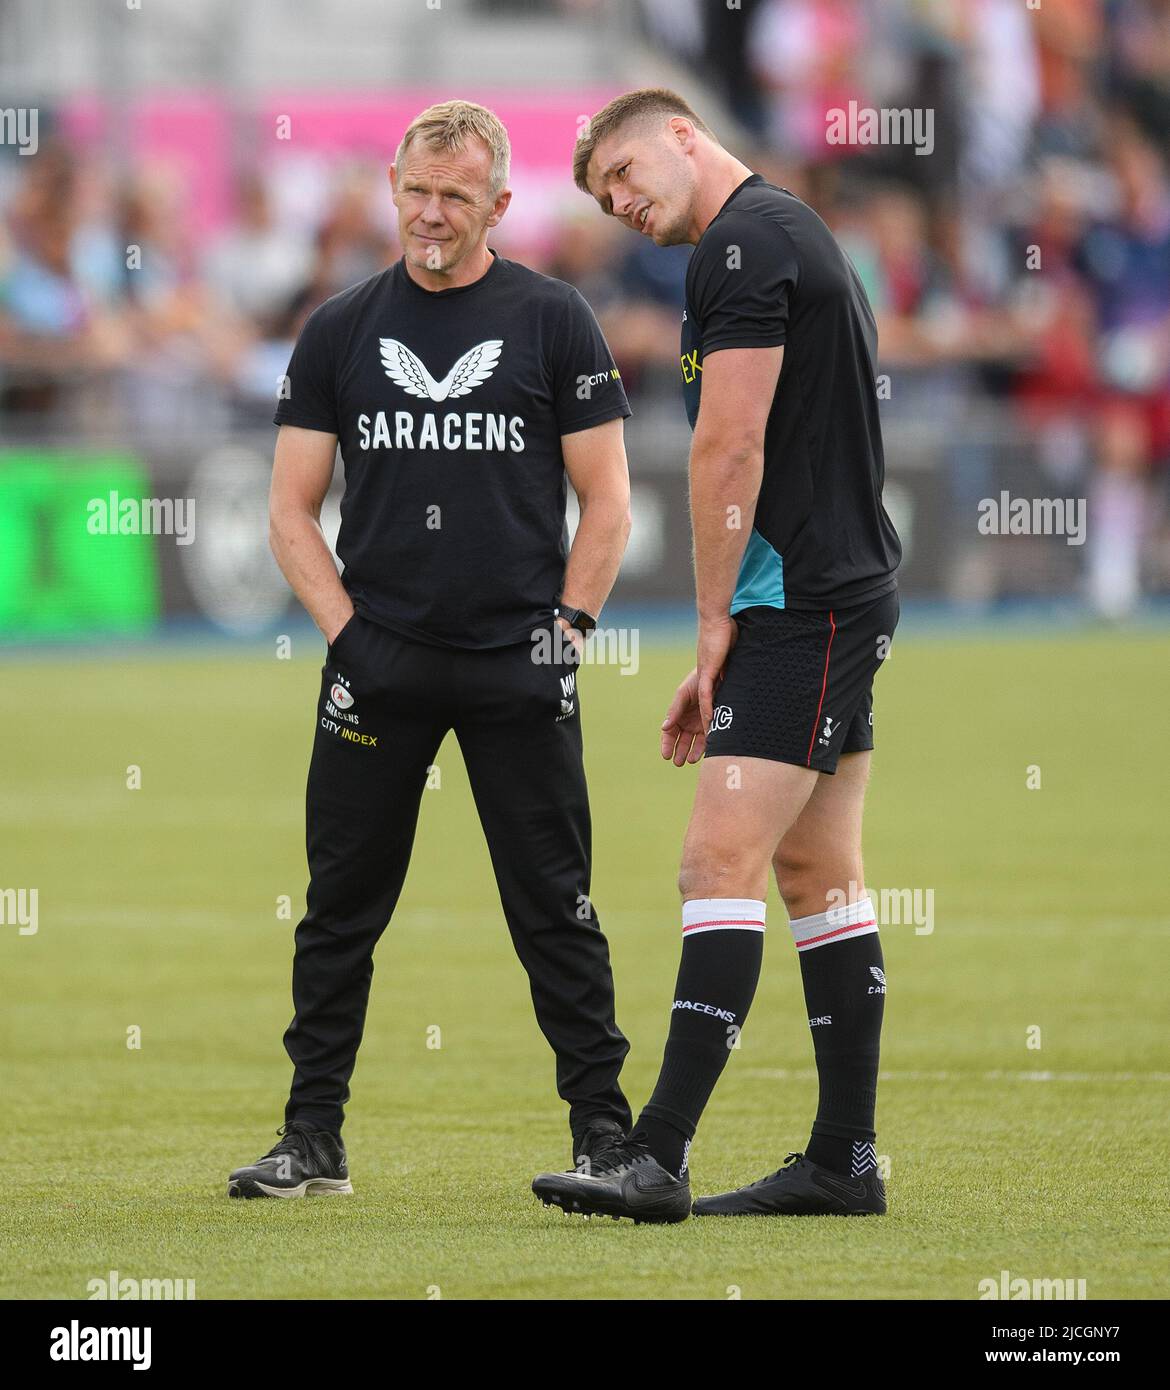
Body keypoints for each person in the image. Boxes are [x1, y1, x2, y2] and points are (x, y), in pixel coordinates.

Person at [229, 100, 634, 1198]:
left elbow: (607, 502)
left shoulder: (556, 320)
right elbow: (289, 510)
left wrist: (572, 629)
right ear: (391, 189)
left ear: (501, 203)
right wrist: (349, 635)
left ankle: (604, 1133)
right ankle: (312, 1140)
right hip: (380, 661)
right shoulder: (340, 329)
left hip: (518, 660)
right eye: (416, 189)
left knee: (556, 906)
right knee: (338, 908)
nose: (431, 212)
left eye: (457, 194)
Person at [533, 88, 901, 1222]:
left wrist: (711, 627)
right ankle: (843, 1161)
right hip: (839, 593)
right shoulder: (788, 229)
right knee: (815, 871)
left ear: (684, 134)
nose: (625, 204)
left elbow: (726, 445)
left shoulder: (741, 243)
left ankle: (657, 1155)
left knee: (716, 862)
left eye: (630, 174)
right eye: (604, 198)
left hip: (801, 605)